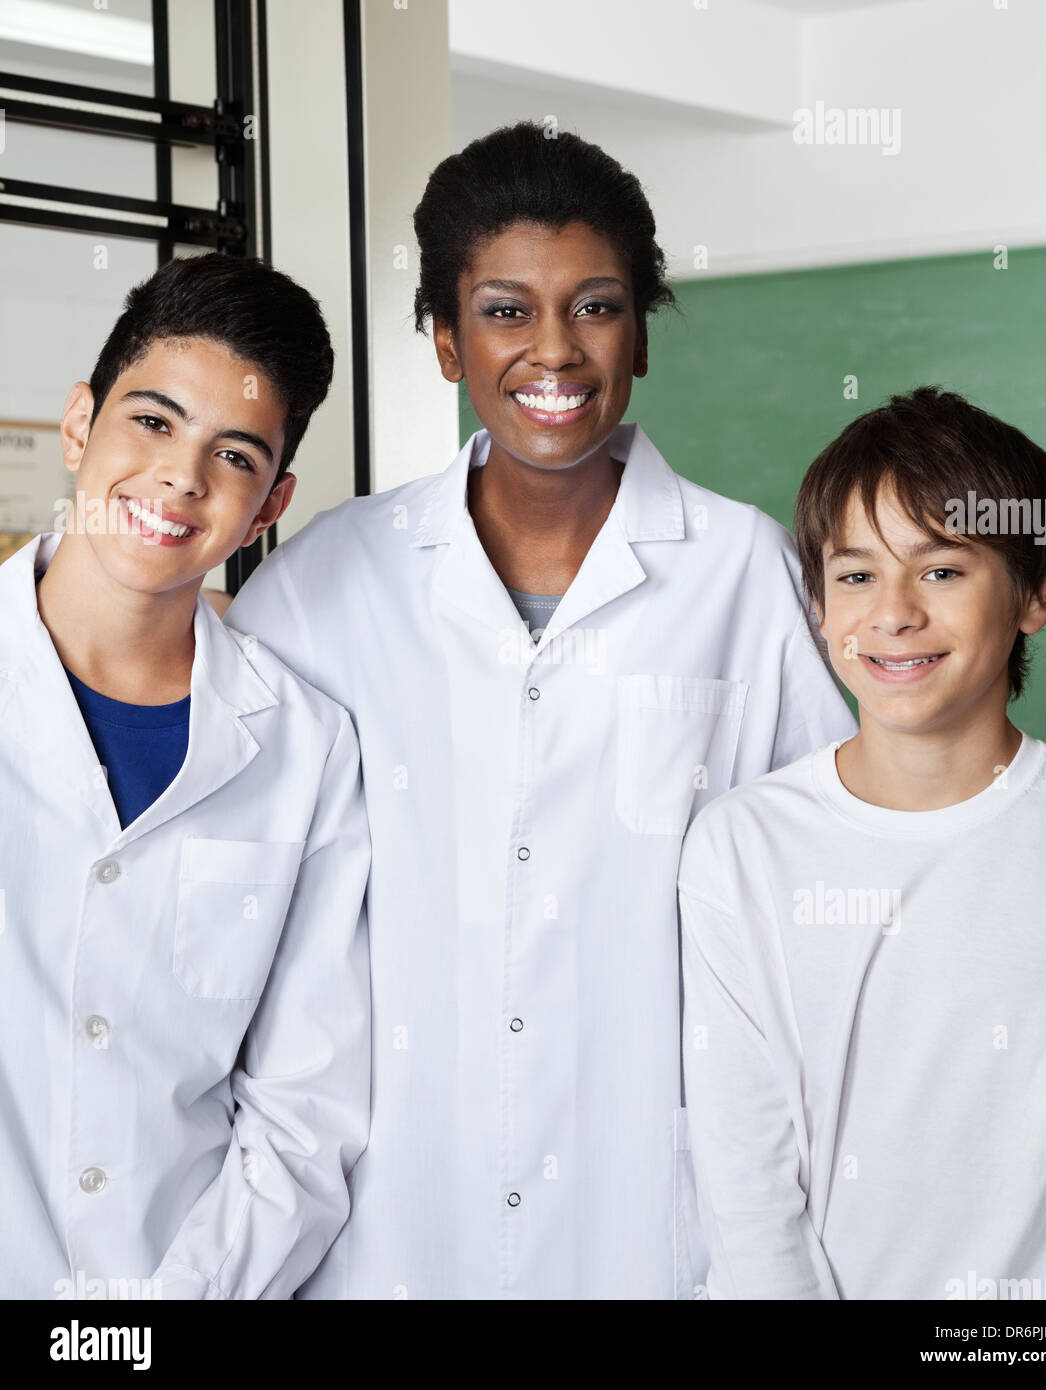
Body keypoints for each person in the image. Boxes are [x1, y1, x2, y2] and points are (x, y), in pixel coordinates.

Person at [226, 121, 855, 1299]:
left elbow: (817, 921)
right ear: (445, 342)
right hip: (386, 1235)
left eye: (597, 307)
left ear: (642, 336)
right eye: (507, 311)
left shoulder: (744, 576)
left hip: (654, 1236)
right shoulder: (324, 584)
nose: (554, 351)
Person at [679, 386, 1046, 1300]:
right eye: (856, 575)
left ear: (1037, 591)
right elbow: (745, 1176)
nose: (893, 612)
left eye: (942, 571)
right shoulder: (743, 847)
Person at [0, 254, 371, 1299]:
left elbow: (309, 1109)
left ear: (269, 506)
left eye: (234, 454)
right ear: (79, 424)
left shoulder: (304, 749)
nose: (180, 479)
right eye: (152, 424)